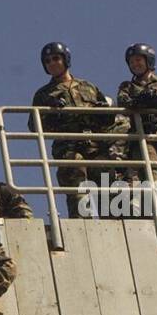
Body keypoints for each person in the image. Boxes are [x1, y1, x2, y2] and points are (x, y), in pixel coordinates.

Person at [30, 41, 113, 218]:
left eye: (56, 58)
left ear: (65, 59)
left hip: (95, 146)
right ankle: (84, 229)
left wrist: (102, 112)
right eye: (48, 61)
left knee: (107, 189)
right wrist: (51, 112)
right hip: (68, 148)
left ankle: (113, 227)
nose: (52, 63)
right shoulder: (43, 94)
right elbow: (34, 126)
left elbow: (108, 118)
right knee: (78, 194)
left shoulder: (88, 86)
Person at [116, 43, 157, 189]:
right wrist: (140, 100)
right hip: (143, 134)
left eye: (138, 60)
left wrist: (156, 96)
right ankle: (155, 204)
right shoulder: (127, 86)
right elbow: (124, 101)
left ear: (148, 60)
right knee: (151, 173)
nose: (135, 64)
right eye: (131, 62)